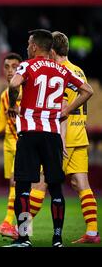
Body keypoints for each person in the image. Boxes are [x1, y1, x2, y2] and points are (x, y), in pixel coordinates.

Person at [5, 29, 93, 247]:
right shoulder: (62, 70)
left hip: (29, 133)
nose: (27, 47)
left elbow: (14, 85)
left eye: (28, 43)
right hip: (53, 135)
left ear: (35, 47)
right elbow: (88, 90)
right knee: (55, 188)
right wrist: (66, 110)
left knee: (24, 188)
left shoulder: (27, 65)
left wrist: (13, 104)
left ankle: (24, 237)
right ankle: (57, 239)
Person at [0, 53, 48, 239]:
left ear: (22, 68)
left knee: (26, 185)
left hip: (26, 144)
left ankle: (11, 223)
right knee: (16, 185)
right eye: (6, 67)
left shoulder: (29, 90)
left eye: (14, 66)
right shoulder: (4, 95)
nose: (10, 71)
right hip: (9, 145)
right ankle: (17, 227)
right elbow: (1, 121)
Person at [52, 31, 99, 244]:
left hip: (65, 135)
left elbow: (62, 107)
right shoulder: (79, 71)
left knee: (39, 183)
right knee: (82, 184)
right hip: (81, 134)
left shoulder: (59, 72)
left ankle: (21, 230)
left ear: (52, 50)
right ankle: (92, 232)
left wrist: (60, 136)